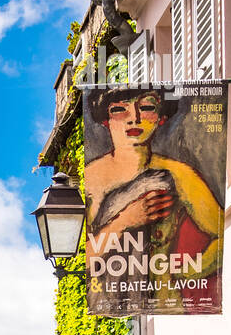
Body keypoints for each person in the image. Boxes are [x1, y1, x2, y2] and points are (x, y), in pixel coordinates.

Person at [85, 87, 222, 310]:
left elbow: (221, 232)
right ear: (105, 120)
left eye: (147, 107)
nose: (134, 119)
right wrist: (125, 221)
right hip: (105, 304)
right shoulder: (91, 178)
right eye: (120, 110)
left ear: (161, 117)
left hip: (163, 302)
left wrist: (189, 270)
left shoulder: (179, 174)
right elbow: (85, 258)